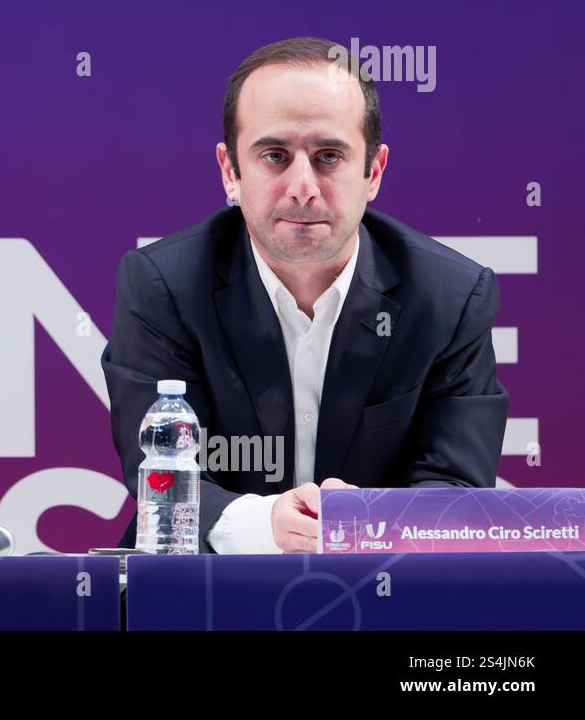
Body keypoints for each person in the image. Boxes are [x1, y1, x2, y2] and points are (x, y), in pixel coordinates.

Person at [102, 37, 508, 553]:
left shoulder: (450, 297)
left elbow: (457, 488)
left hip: (385, 597)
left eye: (329, 156)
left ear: (374, 172)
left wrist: (368, 523)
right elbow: (157, 477)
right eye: (274, 155)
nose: (302, 186)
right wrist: (262, 523)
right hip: (205, 589)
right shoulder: (163, 284)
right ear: (231, 171)